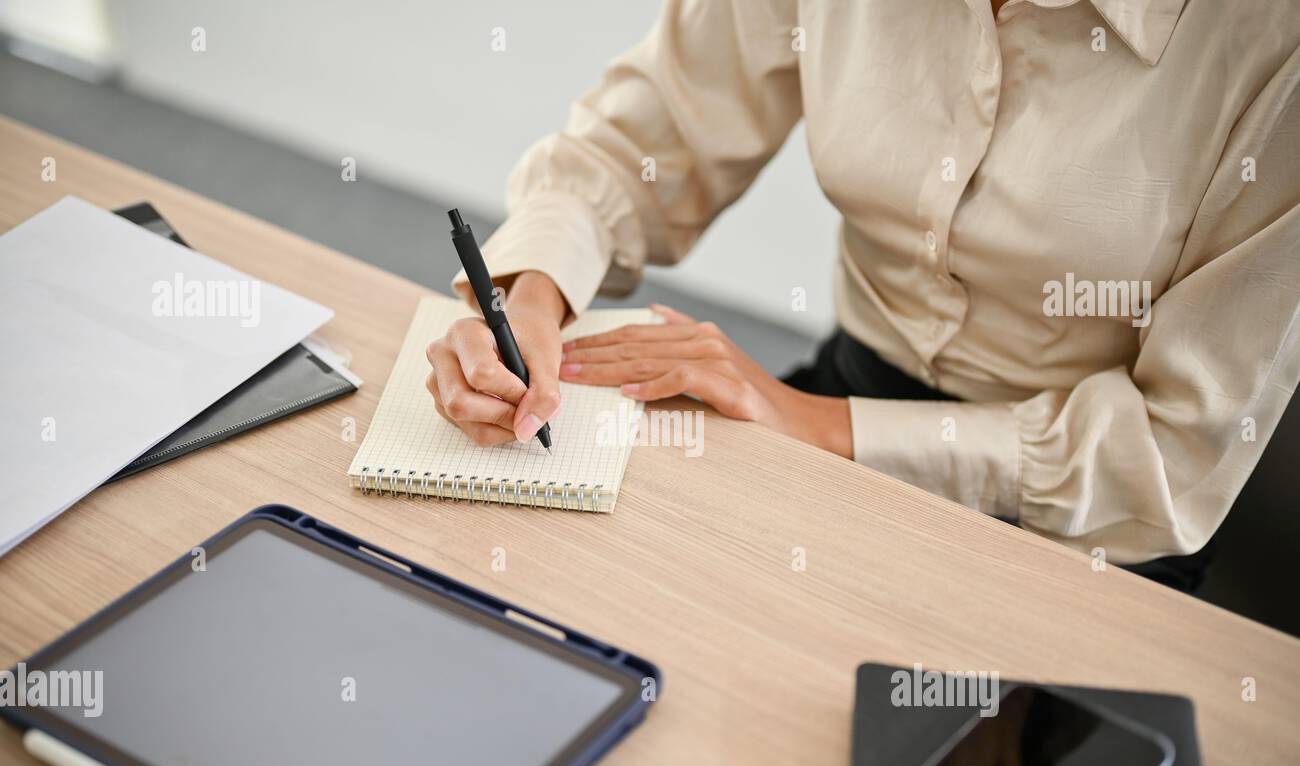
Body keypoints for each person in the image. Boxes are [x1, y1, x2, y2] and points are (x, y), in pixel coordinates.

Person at [425, 0, 1300, 592]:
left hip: (1091, 533)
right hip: (838, 399)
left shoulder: (1270, 42)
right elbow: (644, 145)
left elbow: (1172, 458)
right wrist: (531, 298)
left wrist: (802, 421)